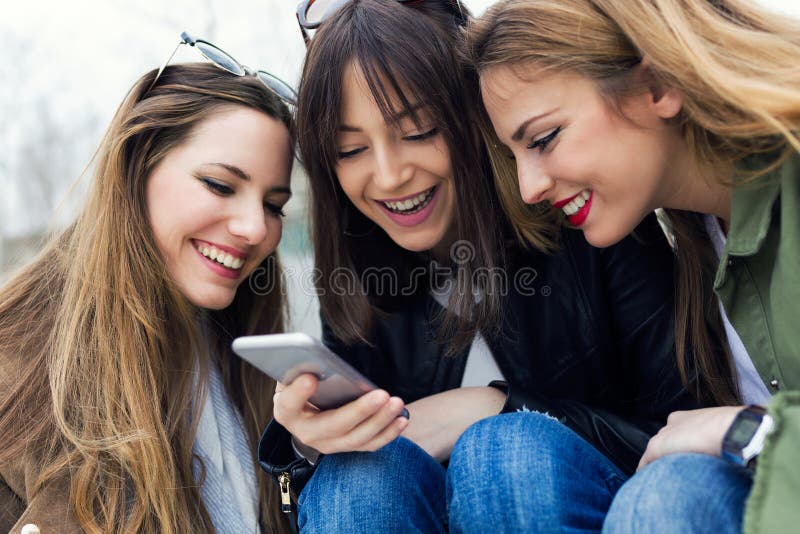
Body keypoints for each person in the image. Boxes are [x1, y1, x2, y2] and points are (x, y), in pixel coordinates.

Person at [258, 1, 705, 532]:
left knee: (504, 453)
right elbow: (327, 505)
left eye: (419, 131)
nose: (389, 175)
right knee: (356, 476)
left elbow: (689, 434)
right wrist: (308, 445)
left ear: (477, 117)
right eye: (349, 149)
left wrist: (492, 408)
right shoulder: (361, 275)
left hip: (599, 500)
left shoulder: (595, 218)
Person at [467, 0, 800, 532]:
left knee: (666, 500)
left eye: (544, 139)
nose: (528, 188)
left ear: (658, 85)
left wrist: (749, 434)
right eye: (514, 157)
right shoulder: (695, 241)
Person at [0, 56, 296, 533]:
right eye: (220, 185)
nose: (255, 228)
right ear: (137, 165)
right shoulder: (17, 361)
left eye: (274, 205)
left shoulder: (253, 349)